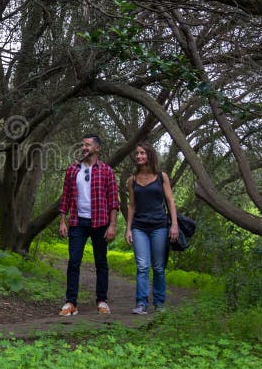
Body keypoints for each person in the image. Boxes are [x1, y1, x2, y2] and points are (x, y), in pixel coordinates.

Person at [58, 134, 120, 316]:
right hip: (78, 222)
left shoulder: (106, 171)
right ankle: (70, 302)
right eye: (82, 144)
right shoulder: (72, 170)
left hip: (101, 222)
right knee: (74, 262)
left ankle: (102, 301)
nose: (84, 147)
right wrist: (62, 221)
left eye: (88, 145)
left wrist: (113, 226)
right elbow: (65, 197)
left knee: (101, 262)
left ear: (97, 148)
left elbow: (113, 202)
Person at [124, 142, 178, 314]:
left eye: (142, 153)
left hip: (159, 226)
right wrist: (128, 229)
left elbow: (170, 201)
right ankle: (141, 303)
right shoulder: (132, 180)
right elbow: (131, 206)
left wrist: (174, 225)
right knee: (142, 266)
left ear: (149, 155)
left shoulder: (162, 177)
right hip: (139, 227)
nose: (139, 156)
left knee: (159, 267)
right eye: (137, 153)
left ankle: (159, 303)